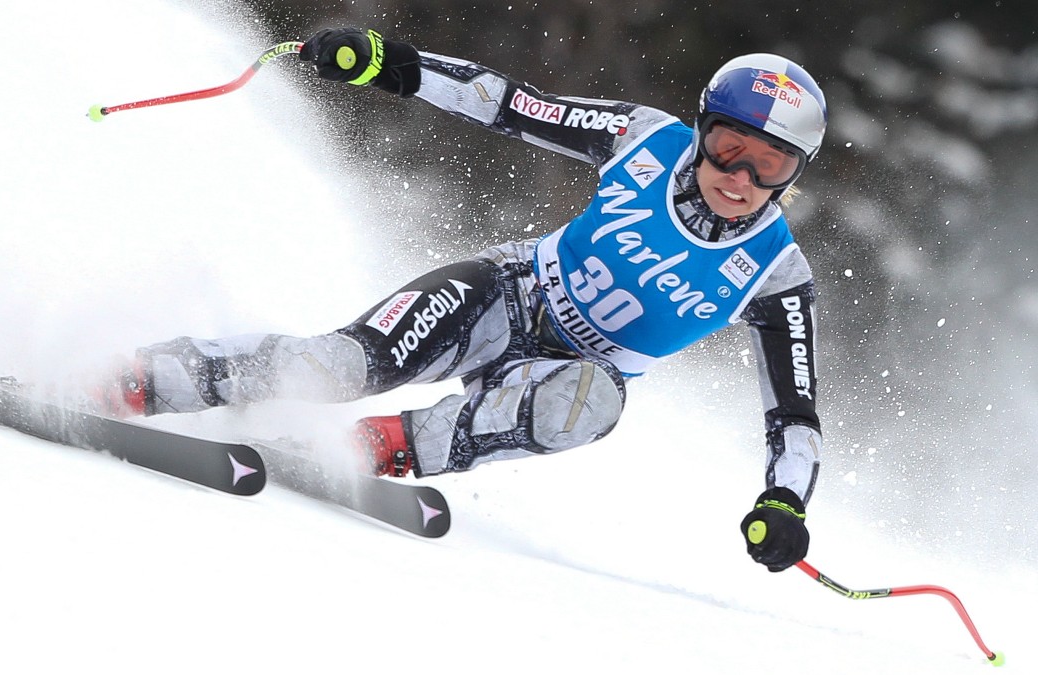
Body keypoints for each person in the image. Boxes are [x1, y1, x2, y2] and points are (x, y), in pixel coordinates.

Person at [99, 28, 826, 573]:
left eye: (770, 166)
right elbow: (511, 104)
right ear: (702, 130)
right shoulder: (643, 140)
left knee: (591, 403)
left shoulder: (774, 272)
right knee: (343, 364)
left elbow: (794, 416)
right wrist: (393, 64)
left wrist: (784, 502)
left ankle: (382, 445)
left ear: (793, 173)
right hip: (505, 294)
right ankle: (148, 377)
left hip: (559, 378)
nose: (740, 177)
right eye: (731, 146)